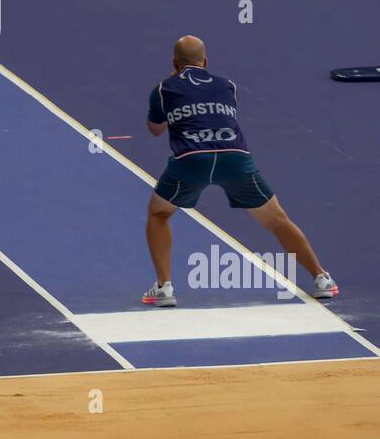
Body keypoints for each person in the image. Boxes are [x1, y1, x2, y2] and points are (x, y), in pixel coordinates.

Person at [143, 35, 338, 306]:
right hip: (234, 158)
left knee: (159, 213)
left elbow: (155, 129)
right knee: (277, 220)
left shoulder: (163, 89)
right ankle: (321, 278)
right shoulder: (228, 86)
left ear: (175, 63)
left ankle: (164, 288)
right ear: (205, 61)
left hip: (191, 160)